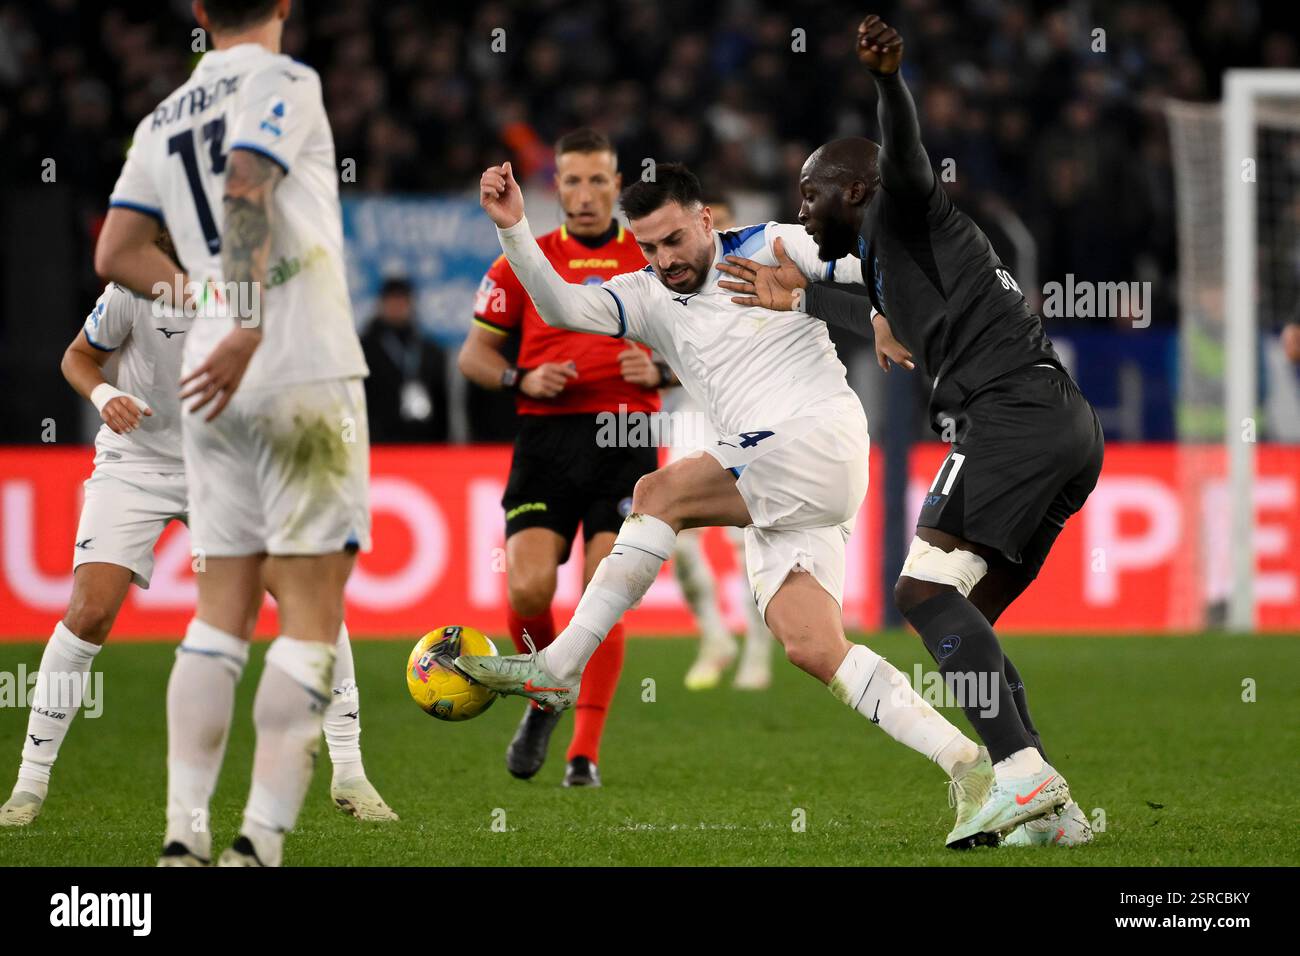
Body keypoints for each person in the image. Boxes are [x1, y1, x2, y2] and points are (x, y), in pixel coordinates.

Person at [463, 157, 1001, 846]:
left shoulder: (769, 244)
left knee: (657, 491)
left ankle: (557, 669)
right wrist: (515, 230)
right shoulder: (648, 294)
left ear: (705, 220)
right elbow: (562, 304)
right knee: (812, 646)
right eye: (650, 246)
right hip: (775, 477)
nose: (664, 259)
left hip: (816, 439)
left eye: (674, 240)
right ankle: (970, 766)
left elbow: (870, 261)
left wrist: (881, 314)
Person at [713, 14, 1104, 849]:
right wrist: (798, 297)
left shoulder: (907, 209)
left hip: (1009, 417)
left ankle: (1025, 778)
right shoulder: (893, 260)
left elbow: (908, 156)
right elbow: (871, 303)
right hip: (1059, 422)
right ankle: (1049, 809)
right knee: (965, 625)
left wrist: (889, 81)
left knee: (920, 596)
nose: (800, 207)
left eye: (811, 190)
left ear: (857, 190)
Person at [94, 0, 377, 866]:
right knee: (307, 619)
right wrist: (250, 316)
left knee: (217, 618)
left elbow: (116, 252)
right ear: (286, 4)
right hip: (298, 371)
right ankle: (257, 845)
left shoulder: (159, 116)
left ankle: (183, 836)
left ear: (198, 11)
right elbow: (249, 180)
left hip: (207, 384)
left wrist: (209, 306)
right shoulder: (288, 79)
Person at [1, 233, 391, 832]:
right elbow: (76, 357)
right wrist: (105, 394)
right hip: (137, 463)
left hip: (227, 465)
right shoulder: (131, 290)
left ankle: (351, 770)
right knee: (89, 613)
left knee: (309, 597)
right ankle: (28, 785)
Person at [458, 128, 668, 787]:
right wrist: (520, 378)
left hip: (625, 437)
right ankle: (548, 688)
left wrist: (659, 370)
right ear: (557, 188)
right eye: (571, 181)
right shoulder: (522, 258)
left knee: (602, 591)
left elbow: (706, 342)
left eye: (597, 181)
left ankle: (584, 752)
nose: (583, 194)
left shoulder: (652, 256)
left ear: (618, 185)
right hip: (547, 439)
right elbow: (474, 357)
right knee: (528, 588)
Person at [669, 194, 774, 691]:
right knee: (673, 533)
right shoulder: (679, 288)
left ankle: (757, 647)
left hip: (747, 417)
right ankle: (714, 635)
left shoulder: (761, 287)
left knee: (742, 542)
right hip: (693, 416)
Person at [360, 276, 450, 443]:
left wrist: (443, 443)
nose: (397, 307)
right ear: (381, 304)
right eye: (392, 301)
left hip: (424, 441)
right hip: (380, 441)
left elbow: (441, 401)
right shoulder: (365, 348)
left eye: (402, 300)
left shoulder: (429, 349)